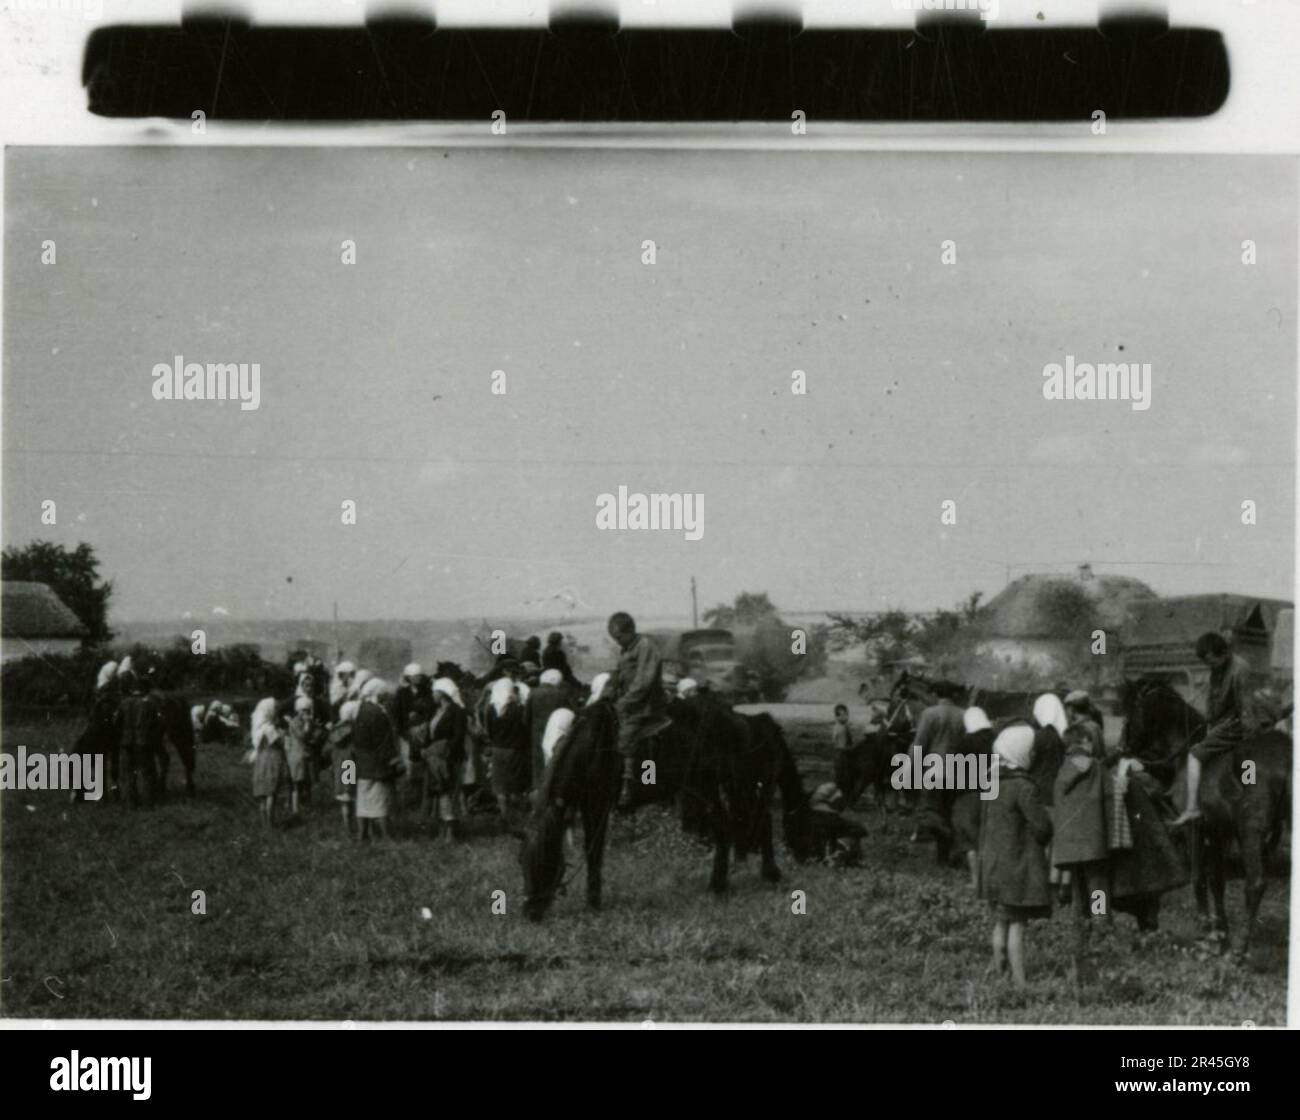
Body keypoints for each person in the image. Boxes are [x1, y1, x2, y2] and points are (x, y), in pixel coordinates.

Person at [978, 723, 1053, 987]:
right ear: (1020, 752)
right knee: (1017, 925)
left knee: (1000, 922)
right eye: (1031, 751)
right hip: (1017, 867)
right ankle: (1021, 983)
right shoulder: (1024, 786)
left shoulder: (991, 780)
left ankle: (999, 974)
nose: (1032, 756)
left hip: (993, 865)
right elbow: (1042, 827)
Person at [1172, 632, 1248, 826]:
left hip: (1235, 725)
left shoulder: (1239, 669)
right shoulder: (1219, 667)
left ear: (1222, 653)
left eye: (1211, 662)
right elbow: (1213, 702)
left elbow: (1244, 708)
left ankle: (1192, 809)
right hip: (1221, 722)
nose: (1210, 667)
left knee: (1194, 755)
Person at [607, 612, 667, 809]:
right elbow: (617, 676)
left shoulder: (645, 646)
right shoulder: (626, 649)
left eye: (619, 637)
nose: (617, 643)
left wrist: (624, 702)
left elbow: (644, 681)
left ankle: (629, 790)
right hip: (630, 706)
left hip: (645, 707)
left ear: (630, 631)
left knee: (625, 741)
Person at [913, 681, 966, 854]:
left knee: (931, 810)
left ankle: (942, 843)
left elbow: (919, 743)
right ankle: (946, 853)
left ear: (936, 695)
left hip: (934, 769)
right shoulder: (963, 714)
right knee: (948, 810)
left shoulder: (929, 714)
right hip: (957, 769)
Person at [353, 678, 402, 841]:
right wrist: (393, 760)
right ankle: (385, 835)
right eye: (383, 694)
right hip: (377, 764)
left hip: (362, 763)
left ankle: (362, 834)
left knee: (363, 801)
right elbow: (383, 741)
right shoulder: (377, 713)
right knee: (380, 801)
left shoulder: (361, 709)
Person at [419, 677, 468, 839]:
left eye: (435, 692)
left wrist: (443, 752)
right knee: (438, 793)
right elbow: (431, 734)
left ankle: (450, 832)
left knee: (448, 792)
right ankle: (442, 829)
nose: (433, 695)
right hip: (435, 758)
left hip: (449, 759)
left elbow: (458, 737)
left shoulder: (457, 712)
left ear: (443, 693)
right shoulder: (436, 711)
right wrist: (426, 748)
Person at [952, 706, 995, 889]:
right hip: (991, 792)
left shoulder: (965, 743)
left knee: (969, 837)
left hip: (968, 794)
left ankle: (977, 881)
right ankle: (991, 877)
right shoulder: (994, 739)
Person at [483, 676, 531, 831]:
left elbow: (488, 731)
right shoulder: (518, 709)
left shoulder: (491, 709)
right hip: (515, 750)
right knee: (515, 785)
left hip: (498, 750)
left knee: (500, 787)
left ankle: (505, 817)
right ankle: (518, 818)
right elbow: (525, 730)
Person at [248, 697, 289, 828]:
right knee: (271, 792)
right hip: (272, 760)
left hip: (261, 760)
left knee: (263, 794)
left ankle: (264, 823)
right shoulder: (269, 728)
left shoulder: (259, 729)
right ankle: (270, 824)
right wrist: (283, 735)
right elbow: (280, 743)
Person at [807, 782, 868, 866]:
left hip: (813, 816)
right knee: (856, 830)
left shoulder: (825, 787)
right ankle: (841, 856)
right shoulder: (837, 790)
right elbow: (861, 830)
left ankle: (829, 855)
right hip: (826, 816)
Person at [529, 668, 572, 788]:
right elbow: (568, 714)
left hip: (536, 734)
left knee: (538, 767)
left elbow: (526, 717)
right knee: (552, 764)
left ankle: (537, 793)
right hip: (555, 733)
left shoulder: (533, 693)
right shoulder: (560, 694)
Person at [285, 696, 325, 817]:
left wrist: (315, 730)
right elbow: (302, 736)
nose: (305, 713)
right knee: (297, 783)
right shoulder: (295, 722)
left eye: (307, 710)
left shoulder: (309, 721)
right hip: (297, 756)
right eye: (303, 710)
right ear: (298, 710)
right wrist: (308, 726)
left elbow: (317, 734)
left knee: (308, 783)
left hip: (307, 756)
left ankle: (307, 806)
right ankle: (295, 809)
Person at [328, 699, 360, 836]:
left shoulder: (336, 729)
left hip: (339, 764)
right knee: (352, 797)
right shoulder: (353, 728)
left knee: (344, 799)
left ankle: (347, 826)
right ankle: (355, 828)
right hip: (350, 763)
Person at [830, 703, 856, 800]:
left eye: (846, 714)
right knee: (844, 776)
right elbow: (842, 745)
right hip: (842, 754)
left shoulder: (837, 726)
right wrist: (853, 749)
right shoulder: (842, 728)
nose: (846, 717)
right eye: (843, 715)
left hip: (838, 753)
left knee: (840, 776)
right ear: (837, 716)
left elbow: (834, 742)